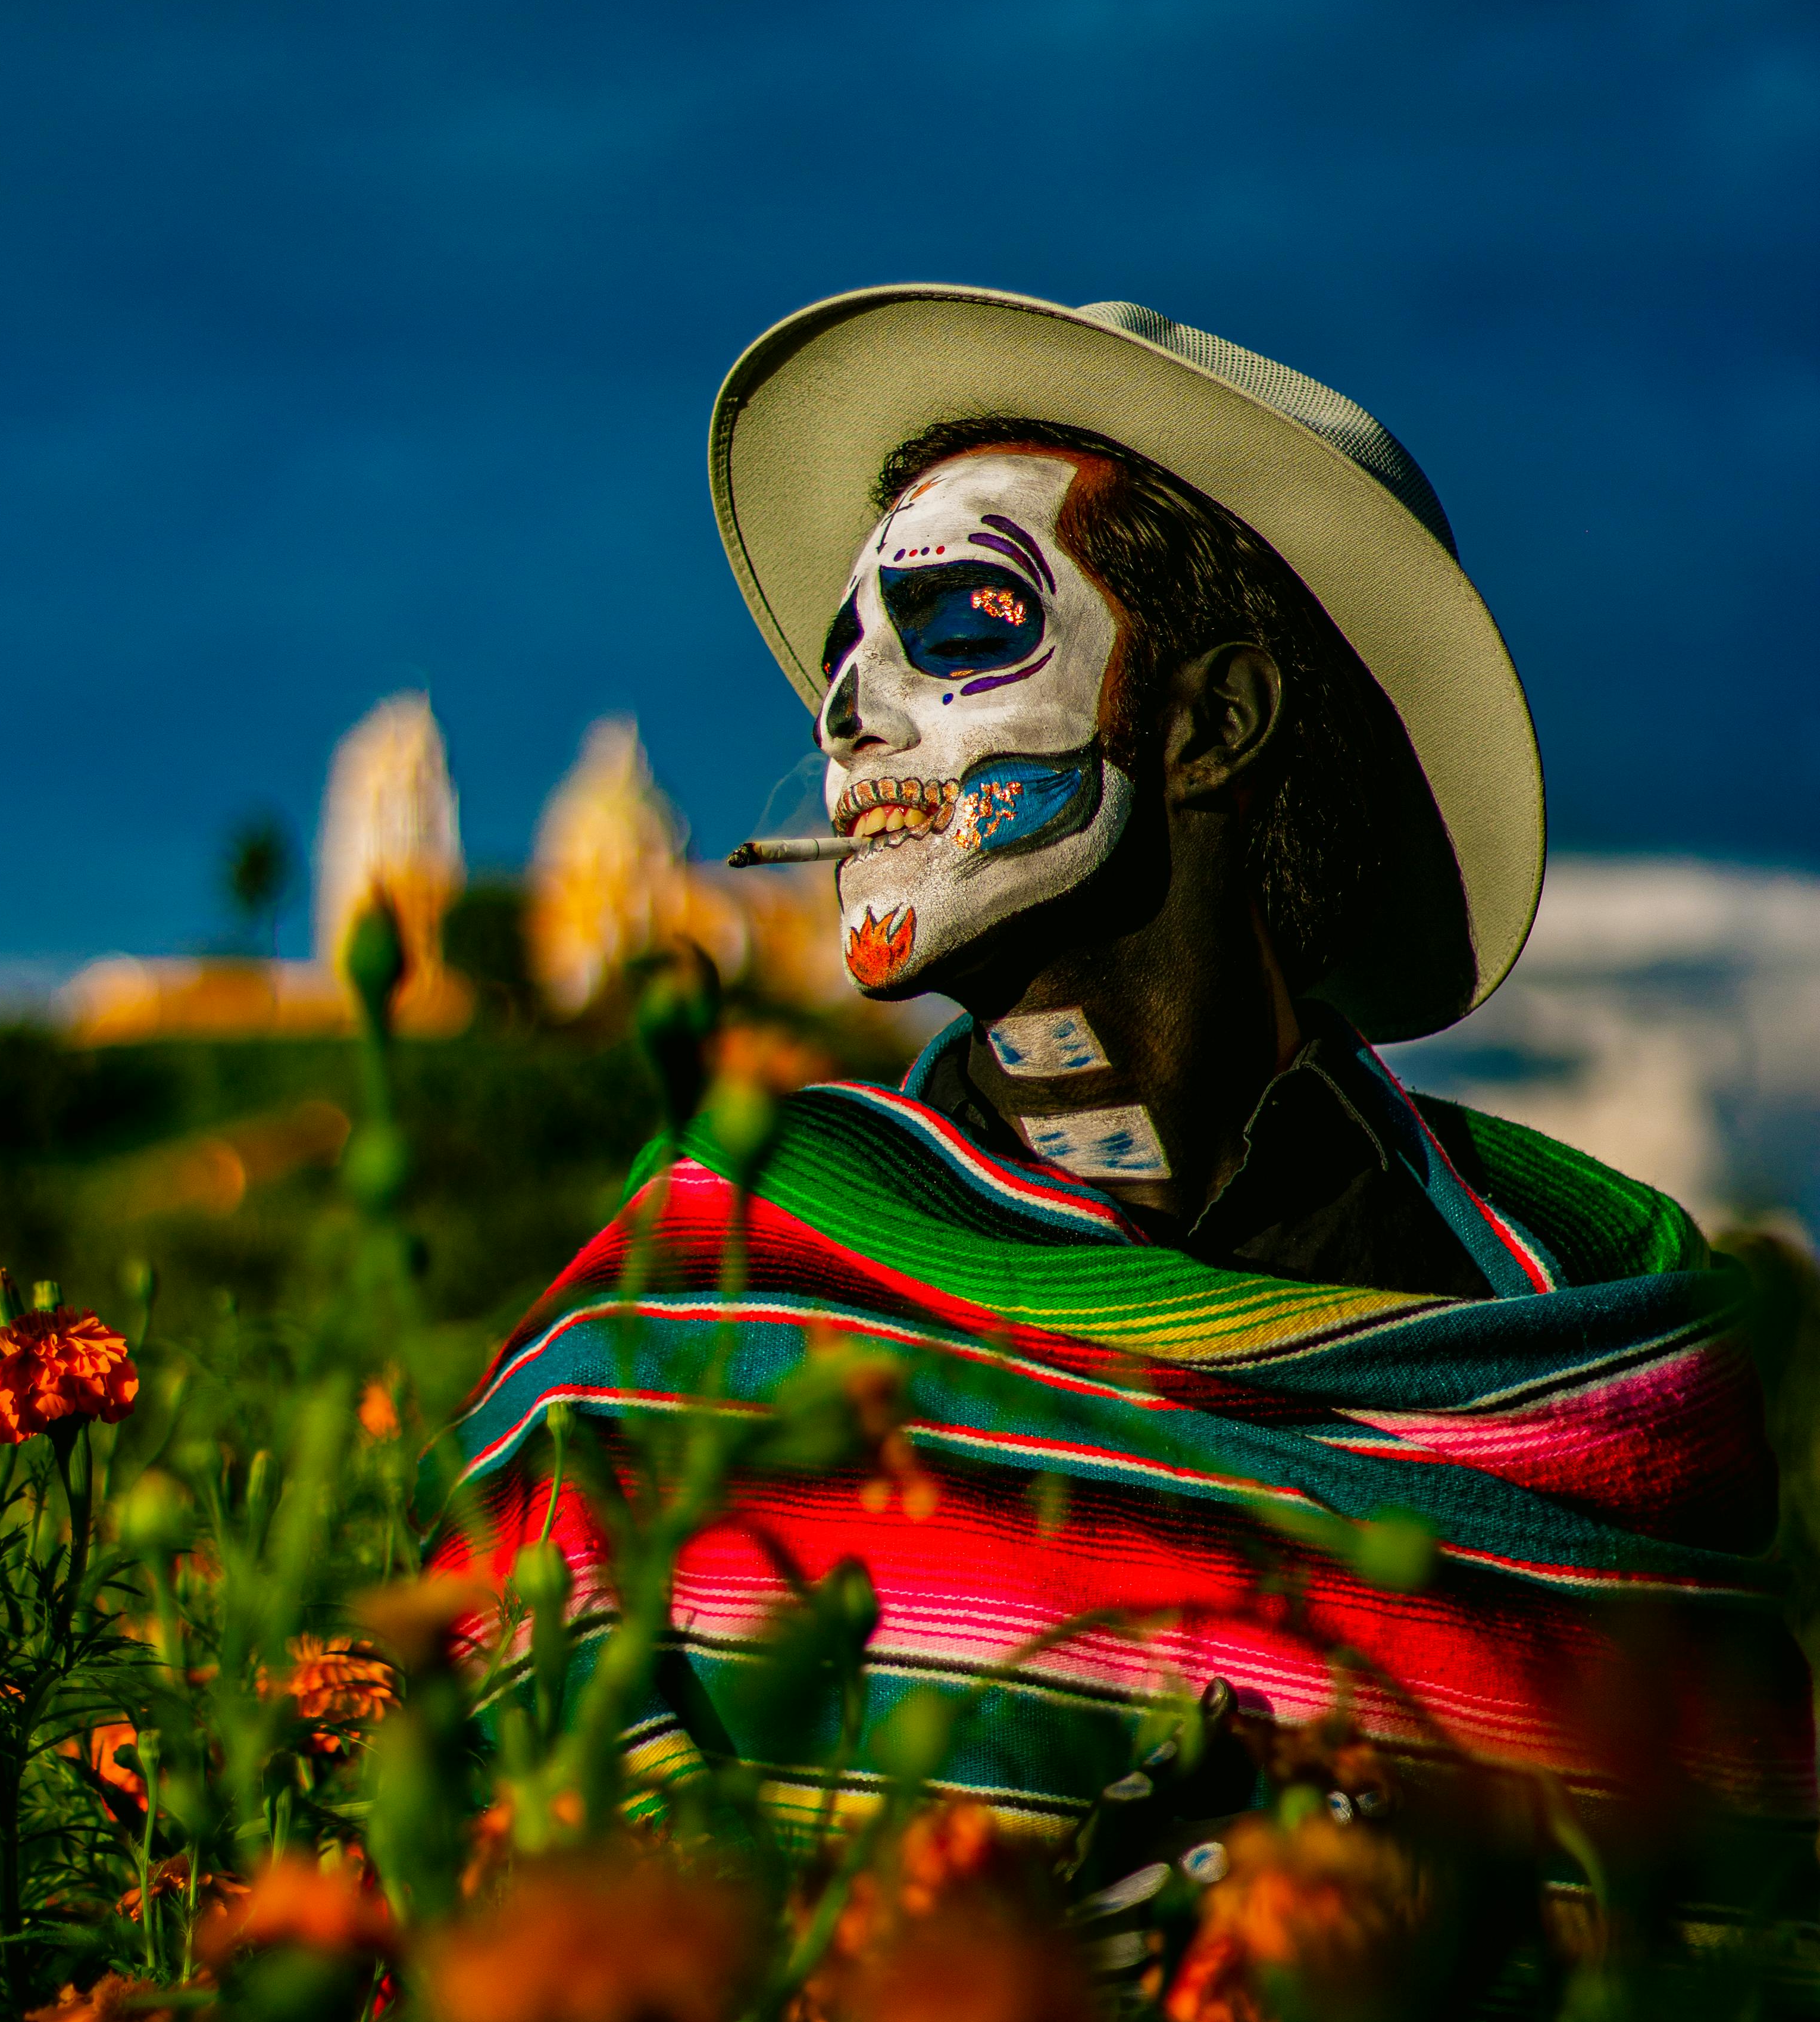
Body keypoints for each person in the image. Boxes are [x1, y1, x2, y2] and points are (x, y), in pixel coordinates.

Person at [434, 286, 1813, 1844]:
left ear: (1217, 721)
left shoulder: (1602, 1352)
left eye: (960, 624)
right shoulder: (706, 1299)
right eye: (843, 656)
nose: (849, 719)